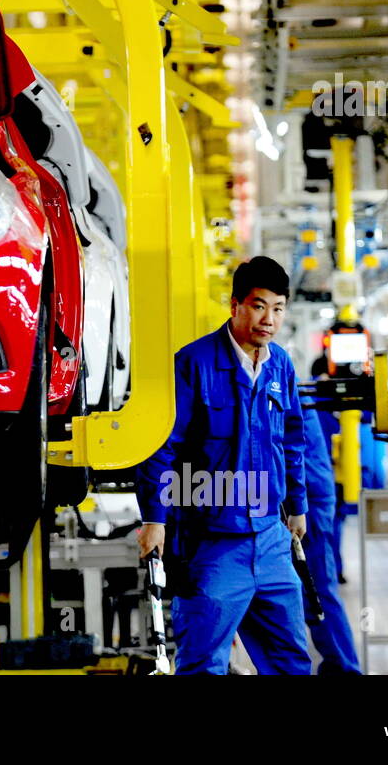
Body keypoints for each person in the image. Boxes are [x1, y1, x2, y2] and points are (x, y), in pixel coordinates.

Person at [136, 256, 309, 675]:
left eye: (278, 308)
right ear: (234, 305)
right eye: (258, 305)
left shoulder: (280, 365)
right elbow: (161, 447)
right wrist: (154, 519)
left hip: (270, 537)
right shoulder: (193, 363)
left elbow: (291, 438)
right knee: (202, 665)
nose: (269, 319)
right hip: (212, 543)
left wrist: (298, 505)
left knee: (291, 661)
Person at [243, 402, 362, 674]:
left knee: (318, 591)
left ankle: (345, 669)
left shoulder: (281, 388)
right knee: (314, 592)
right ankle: (338, 665)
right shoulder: (280, 388)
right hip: (303, 500)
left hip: (307, 503)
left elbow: (282, 450)